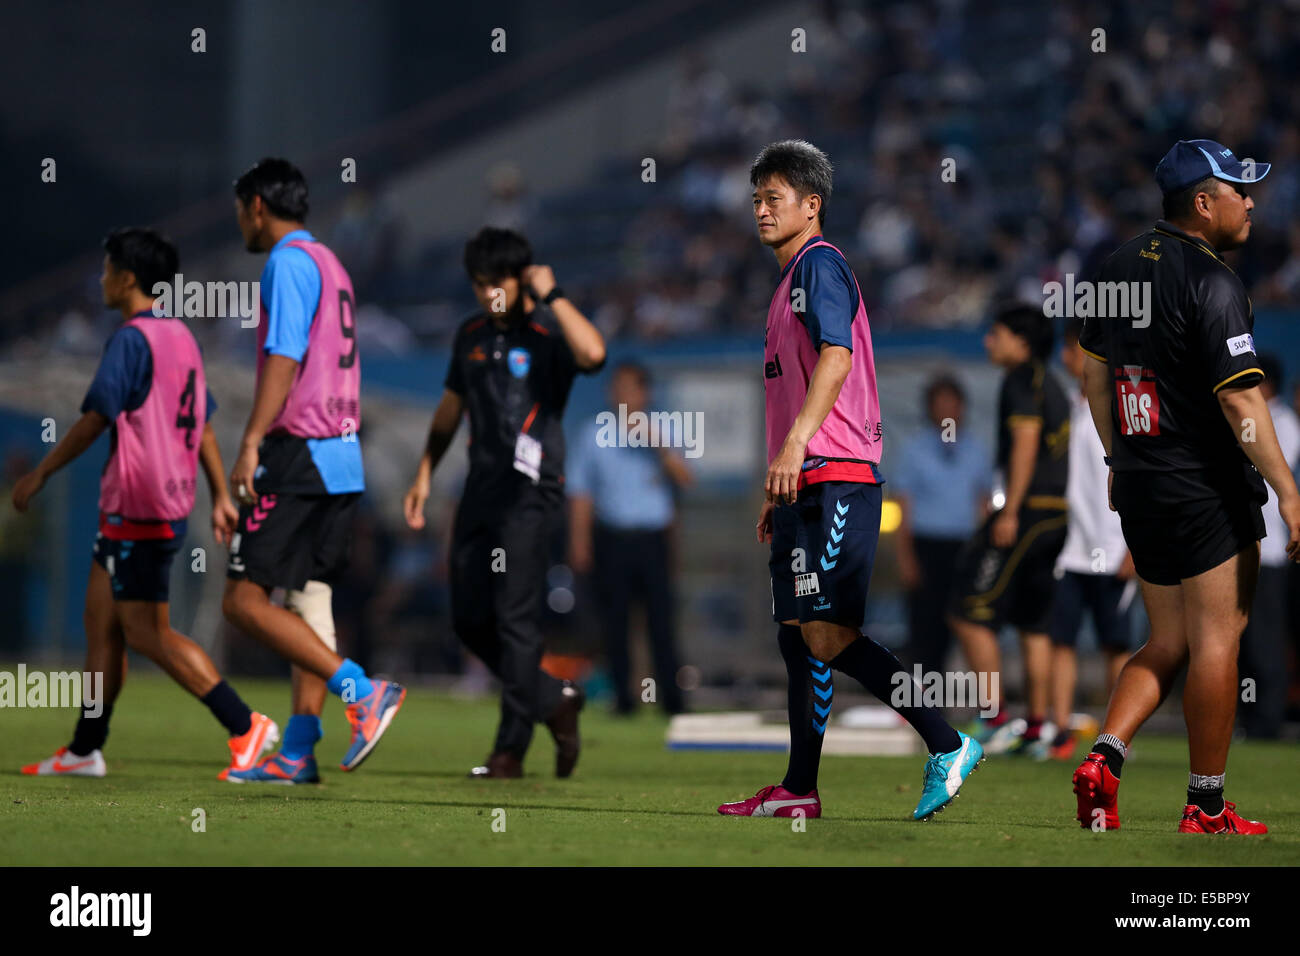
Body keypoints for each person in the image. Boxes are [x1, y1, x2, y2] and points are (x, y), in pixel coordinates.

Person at [717, 140, 982, 822]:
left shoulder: (819, 267)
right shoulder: (786, 286)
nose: (762, 209)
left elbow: (836, 355)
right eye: (756, 199)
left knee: (827, 634)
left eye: (775, 198)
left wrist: (800, 445)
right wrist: (780, 485)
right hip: (804, 486)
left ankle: (947, 742)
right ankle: (800, 788)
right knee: (793, 633)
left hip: (839, 479)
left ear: (813, 205)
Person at [1074, 139, 1300, 835]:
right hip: (1206, 490)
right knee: (1216, 643)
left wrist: (1117, 461)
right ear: (1204, 203)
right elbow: (1242, 404)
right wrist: (1290, 494)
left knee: (1165, 641)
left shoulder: (1113, 266)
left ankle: (1105, 758)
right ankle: (1205, 806)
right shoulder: (1215, 282)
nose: (1251, 200)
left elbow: (1090, 375)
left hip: (1141, 484)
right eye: (1239, 189)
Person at [14, 228, 277, 779]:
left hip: (142, 502)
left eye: (108, 269)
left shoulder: (132, 339)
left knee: (145, 632)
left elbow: (95, 418)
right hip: (151, 502)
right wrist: (219, 496)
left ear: (128, 278)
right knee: (101, 622)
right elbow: (203, 423)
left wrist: (41, 472)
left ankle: (244, 724)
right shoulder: (181, 337)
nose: (102, 279)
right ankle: (86, 747)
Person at [221, 158, 406, 782]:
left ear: (256, 208)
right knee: (310, 605)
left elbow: (285, 354)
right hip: (342, 459)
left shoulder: (288, 263)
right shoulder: (333, 263)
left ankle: (362, 691)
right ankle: (298, 751)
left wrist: (250, 441)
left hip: (299, 450)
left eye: (240, 210)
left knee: (243, 603)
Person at [404, 227, 606, 778]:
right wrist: (425, 469)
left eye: (497, 282)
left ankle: (509, 750)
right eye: (479, 283)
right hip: (480, 490)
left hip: (531, 492)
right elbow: (450, 407)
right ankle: (552, 700)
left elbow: (594, 353)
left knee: (516, 619)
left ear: (521, 279)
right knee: (470, 620)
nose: (487, 293)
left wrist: (554, 292)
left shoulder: (548, 332)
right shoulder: (468, 334)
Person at [947, 303, 1070, 755]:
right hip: (1057, 515)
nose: (987, 341)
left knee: (967, 608)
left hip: (1029, 511)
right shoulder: (1052, 381)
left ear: (1020, 341)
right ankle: (1037, 729)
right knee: (1032, 622)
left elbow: (1025, 442)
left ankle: (994, 717)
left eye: (995, 333)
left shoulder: (1020, 380)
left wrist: (1010, 510)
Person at [567, 361, 693, 715]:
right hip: (612, 536)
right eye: (616, 388)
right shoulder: (591, 433)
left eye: (629, 388)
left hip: (654, 538)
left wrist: (655, 442)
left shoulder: (666, 428)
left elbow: (685, 479)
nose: (621, 395)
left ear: (644, 392)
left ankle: (673, 699)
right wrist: (579, 542)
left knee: (661, 621)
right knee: (615, 623)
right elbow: (580, 493)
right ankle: (622, 699)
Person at [1042, 318, 1137, 761]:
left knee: (1115, 647)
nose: (1067, 358)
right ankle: (1061, 733)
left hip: (1116, 550)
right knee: (1060, 641)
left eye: (1074, 350)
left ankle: (1114, 741)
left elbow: (1142, 481)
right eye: (1065, 350)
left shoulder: (1122, 409)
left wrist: (1134, 549)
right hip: (1073, 552)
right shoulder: (1069, 409)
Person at [893, 374, 992, 676]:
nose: (947, 410)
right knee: (924, 627)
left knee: (965, 625)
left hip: (963, 548)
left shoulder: (976, 450)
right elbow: (903, 508)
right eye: (940, 403)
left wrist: (985, 556)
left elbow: (984, 504)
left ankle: (978, 705)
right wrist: (906, 558)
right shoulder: (915, 450)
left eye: (953, 403)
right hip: (926, 545)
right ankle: (924, 703)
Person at [1237, 353, 1300, 738]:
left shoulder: (1284, 422)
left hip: (1271, 551)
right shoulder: (1256, 416)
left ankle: (1268, 721)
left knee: (1265, 641)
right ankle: (1249, 718)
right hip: (1243, 547)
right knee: (1242, 641)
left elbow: (1267, 467)